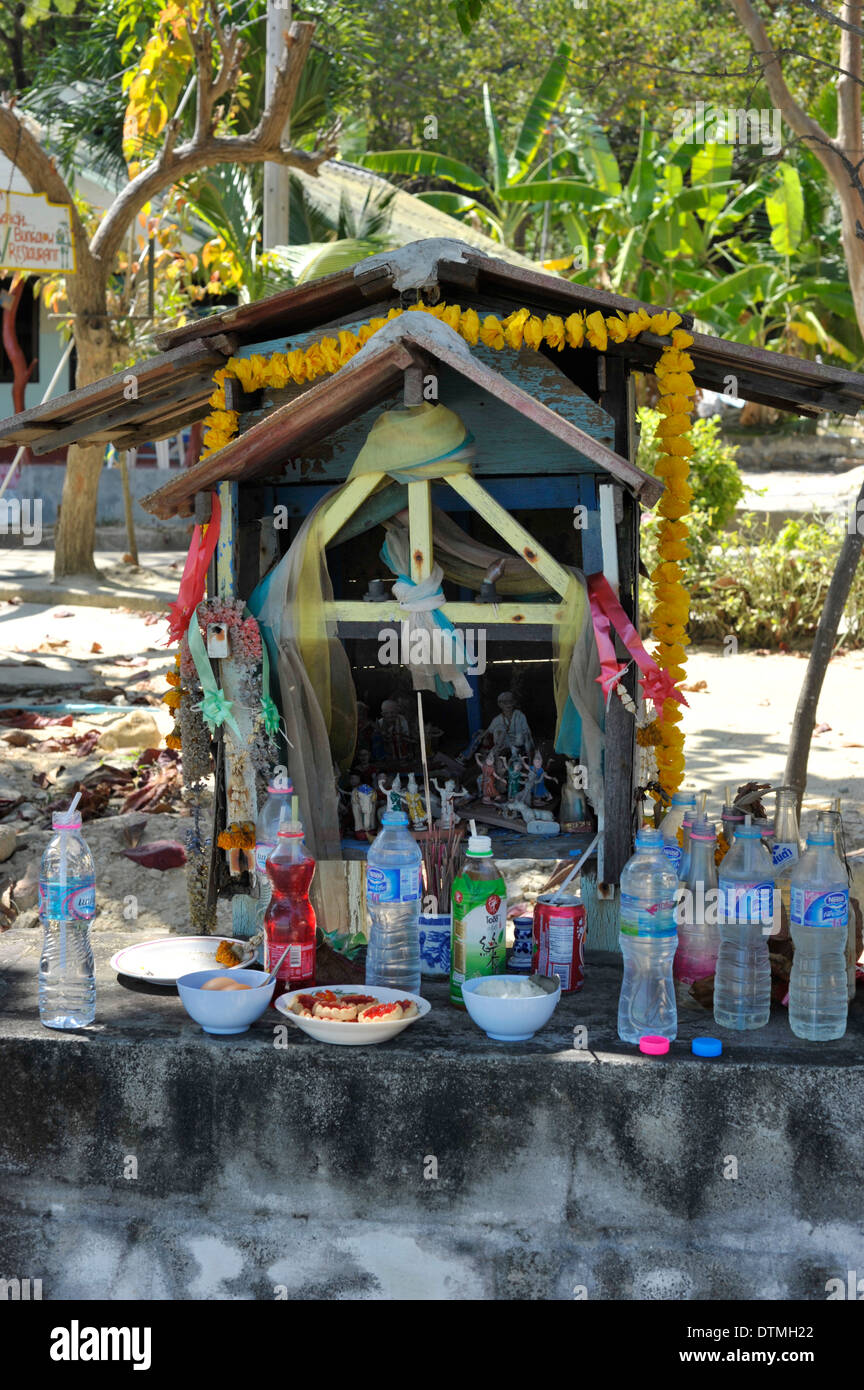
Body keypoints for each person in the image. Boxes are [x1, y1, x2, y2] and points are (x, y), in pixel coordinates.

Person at [486, 691, 533, 757]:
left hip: (519, 745)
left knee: (521, 736)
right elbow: (489, 731)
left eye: (510, 702)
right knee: (499, 728)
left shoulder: (519, 715)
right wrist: (485, 738)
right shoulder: (498, 719)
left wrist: (529, 750)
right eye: (505, 702)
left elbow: (527, 733)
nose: (508, 704)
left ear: (514, 703)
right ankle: (498, 753)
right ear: (500, 704)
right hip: (504, 746)